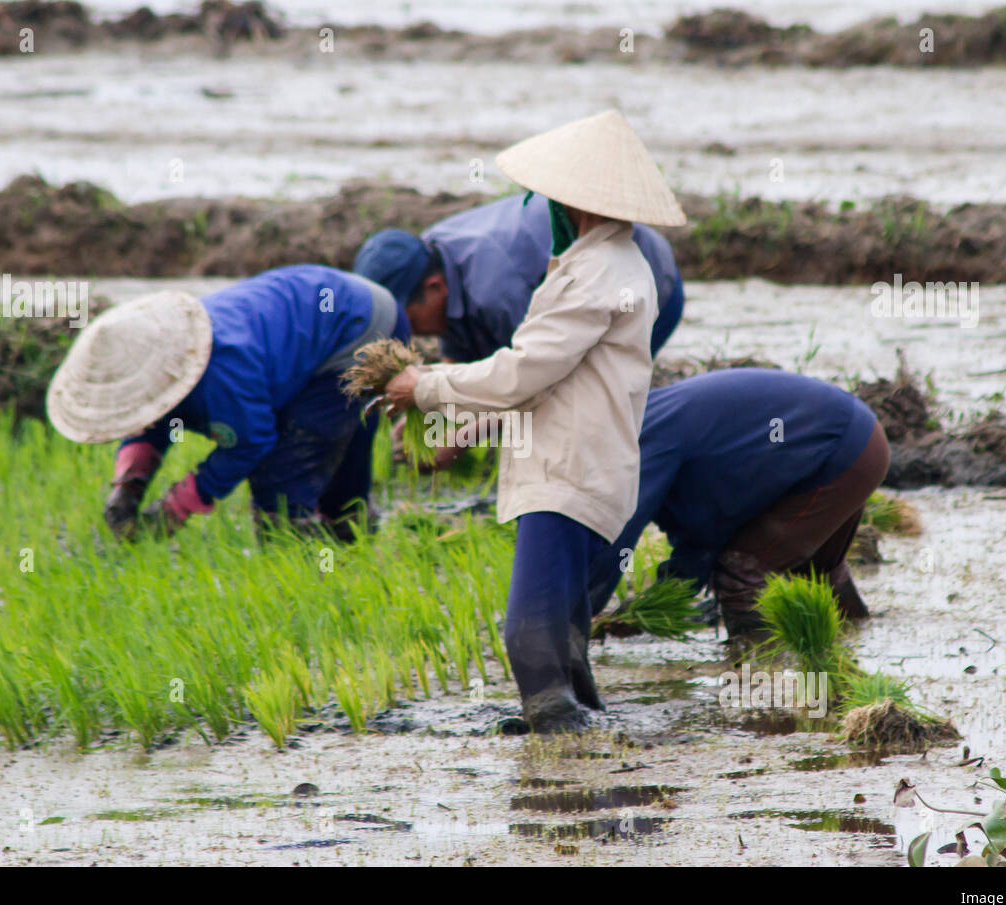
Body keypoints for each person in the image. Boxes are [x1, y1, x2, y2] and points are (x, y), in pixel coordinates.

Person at [384, 110, 686, 734]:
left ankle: (558, 742)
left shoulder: (595, 273)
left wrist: (427, 388)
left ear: (574, 202)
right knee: (564, 630)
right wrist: (465, 426)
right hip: (585, 463)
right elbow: (549, 381)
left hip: (565, 469)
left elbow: (524, 370)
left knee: (529, 633)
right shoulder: (610, 262)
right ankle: (582, 729)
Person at [45, 266, 407, 540]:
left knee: (281, 489)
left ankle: (308, 566)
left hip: (358, 328)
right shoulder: (169, 366)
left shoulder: (222, 378)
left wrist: (177, 506)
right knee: (331, 457)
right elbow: (153, 423)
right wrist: (128, 485)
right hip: (319, 314)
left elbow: (251, 444)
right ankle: (350, 532)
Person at [587, 369, 890, 655]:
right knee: (815, 571)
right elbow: (703, 535)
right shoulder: (650, 417)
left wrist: (579, 610)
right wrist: (658, 602)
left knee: (740, 573)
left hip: (838, 454)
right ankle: (854, 647)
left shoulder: (640, 438)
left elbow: (618, 531)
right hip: (854, 438)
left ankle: (760, 690)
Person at [352, 194, 683, 361]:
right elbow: (461, 352)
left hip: (649, 285)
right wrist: (435, 414)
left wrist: (461, 437)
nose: (405, 332)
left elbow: (537, 381)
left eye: (406, 319)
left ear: (434, 287)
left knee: (591, 397)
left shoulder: (497, 293)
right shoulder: (428, 254)